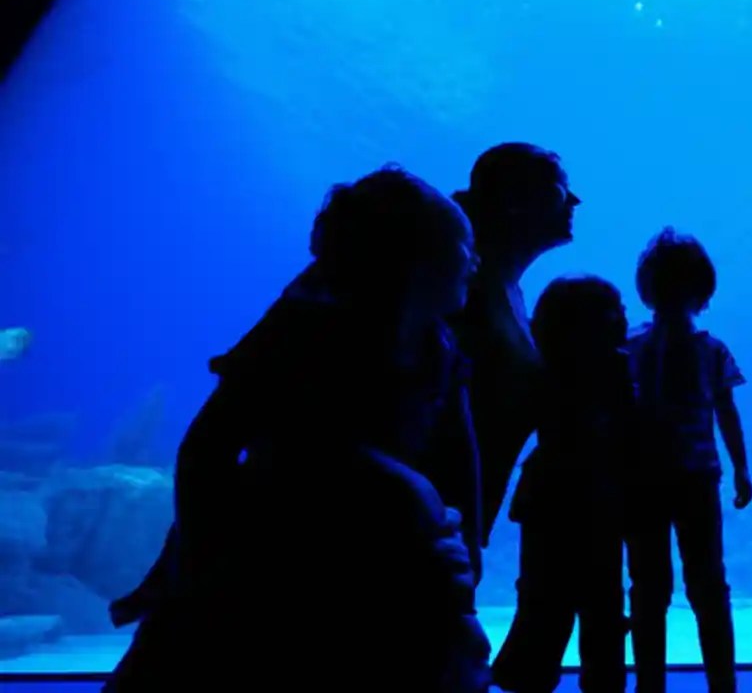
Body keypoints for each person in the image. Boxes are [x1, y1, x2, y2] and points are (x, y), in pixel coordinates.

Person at [104, 165, 489, 691]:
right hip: (275, 558)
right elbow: (206, 447)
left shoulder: (439, 342)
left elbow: (460, 456)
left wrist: (464, 550)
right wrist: (200, 562)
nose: (475, 260)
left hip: (380, 557)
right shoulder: (303, 326)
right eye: (464, 247)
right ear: (415, 259)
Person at [625, 227, 752, 693]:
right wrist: (740, 467)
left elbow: (726, 411)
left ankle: (662, 683)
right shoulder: (708, 350)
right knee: (700, 584)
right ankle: (719, 682)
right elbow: (726, 412)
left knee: (655, 586)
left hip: (653, 480)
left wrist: (740, 467)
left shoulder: (632, 346)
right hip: (687, 478)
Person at [491, 275, 632, 693]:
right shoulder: (618, 371)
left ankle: (525, 678)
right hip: (596, 503)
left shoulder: (541, 370)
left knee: (543, 605)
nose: (624, 317)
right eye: (615, 310)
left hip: (549, 501)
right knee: (599, 609)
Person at [448, 142, 583, 550]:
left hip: (451, 535)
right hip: (417, 534)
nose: (574, 201)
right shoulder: (453, 283)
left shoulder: (506, 292)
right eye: (558, 192)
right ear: (513, 200)